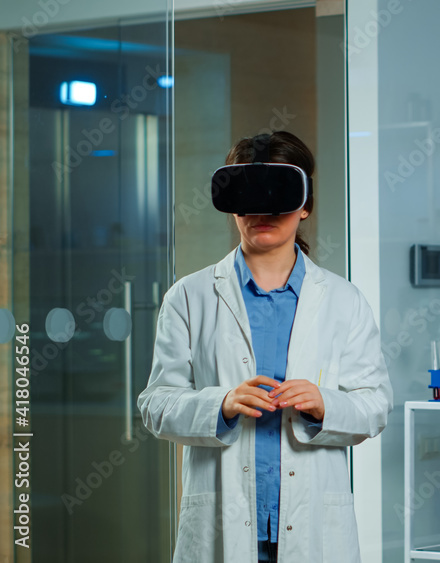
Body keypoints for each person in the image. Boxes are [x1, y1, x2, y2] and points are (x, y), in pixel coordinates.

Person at [138, 131, 392, 563]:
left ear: (305, 203)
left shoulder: (343, 300)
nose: (263, 212)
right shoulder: (189, 296)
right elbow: (156, 405)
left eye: (279, 195)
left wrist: (324, 404)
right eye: (250, 195)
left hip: (314, 530)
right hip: (220, 526)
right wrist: (222, 403)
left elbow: (376, 405)